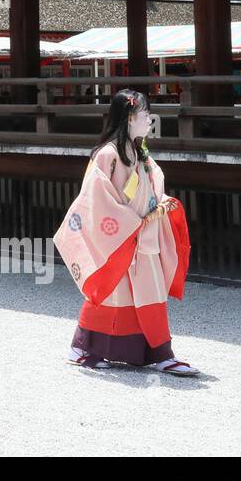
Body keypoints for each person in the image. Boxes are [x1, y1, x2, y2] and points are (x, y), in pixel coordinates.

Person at [54, 89, 196, 375]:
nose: (149, 120)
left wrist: (159, 201)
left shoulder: (138, 150)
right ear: (130, 118)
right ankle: (83, 347)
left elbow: (149, 185)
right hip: (124, 235)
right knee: (112, 293)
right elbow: (96, 197)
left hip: (143, 233)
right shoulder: (109, 154)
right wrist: (132, 221)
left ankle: (158, 352)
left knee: (146, 294)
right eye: (145, 115)